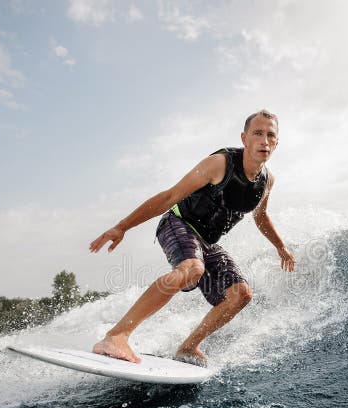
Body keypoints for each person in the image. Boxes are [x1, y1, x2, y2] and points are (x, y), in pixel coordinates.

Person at [88, 109, 294, 367]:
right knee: (192, 268)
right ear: (244, 138)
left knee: (241, 294)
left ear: (276, 142)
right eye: (257, 133)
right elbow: (169, 197)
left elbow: (260, 216)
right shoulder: (220, 163)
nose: (264, 140)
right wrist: (122, 226)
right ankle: (116, 336)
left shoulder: (266, 181)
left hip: (207, 241)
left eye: (270, 135)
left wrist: (280, 247)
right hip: (177, 222)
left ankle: (188, 347)